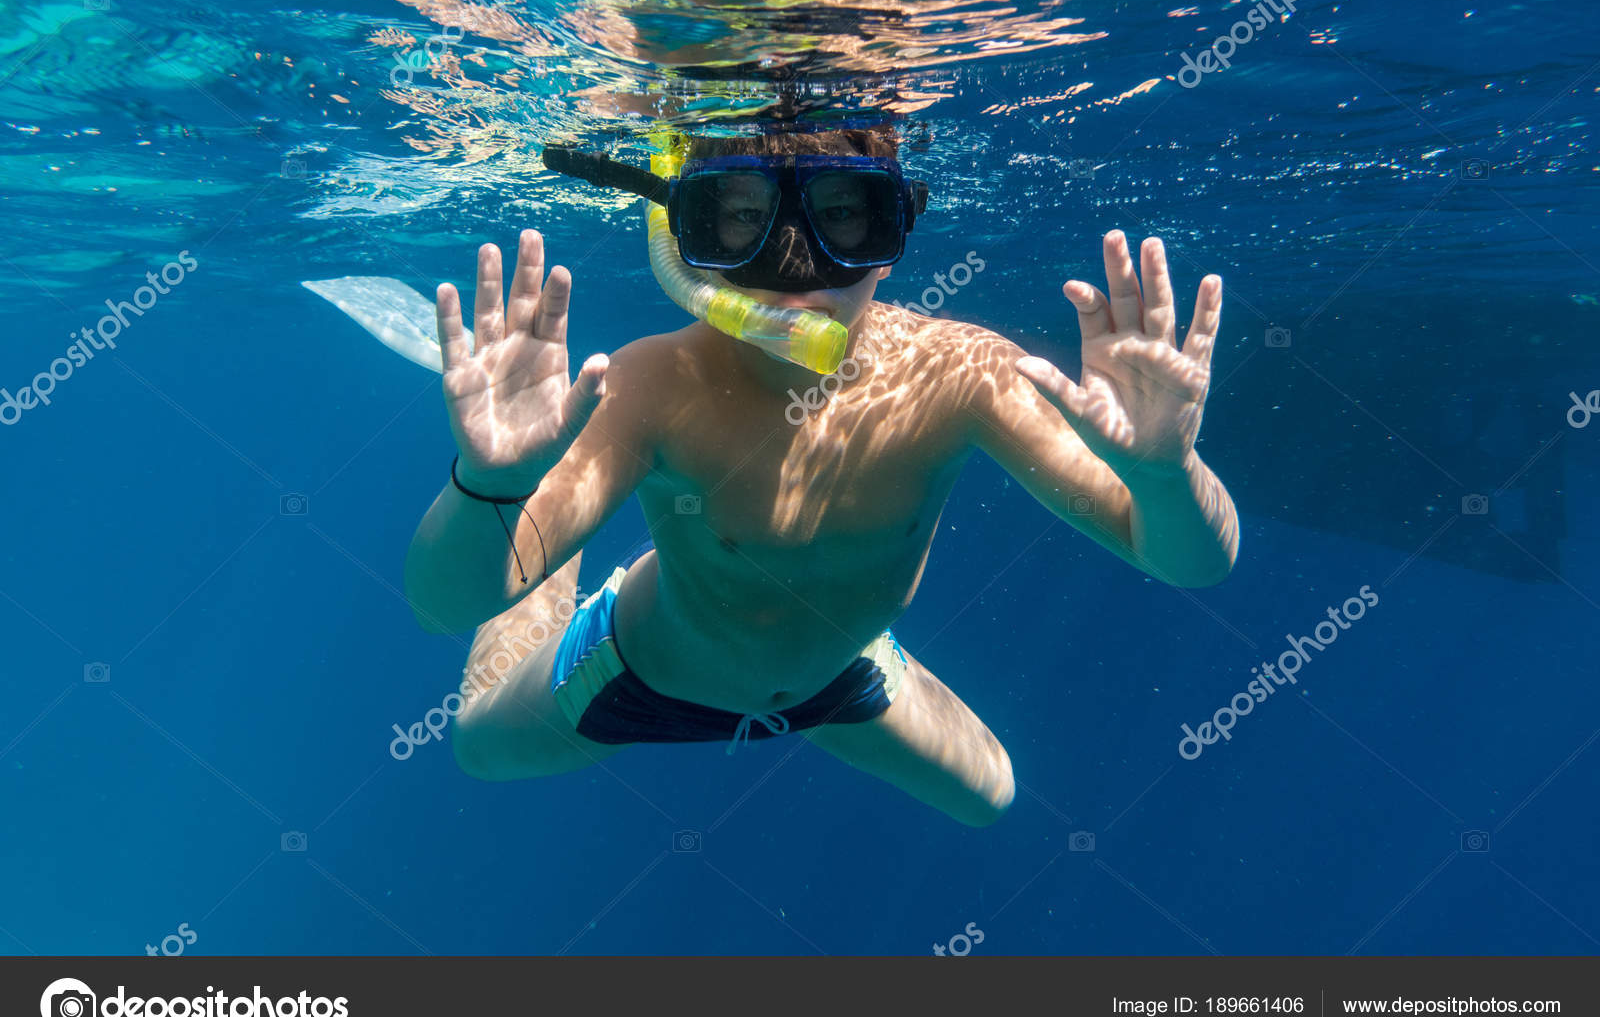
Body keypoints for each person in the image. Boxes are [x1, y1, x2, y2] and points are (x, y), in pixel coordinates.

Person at [402, 122, 1237, 827]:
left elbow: (1190, 561)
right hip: (643, 669)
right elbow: (445, 606)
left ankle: (814, 652)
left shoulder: (964, 373)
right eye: (740, 220)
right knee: (476, 740)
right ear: (691, 245)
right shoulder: (654, 386)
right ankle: (561, 572)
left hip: (836, 672)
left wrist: (1167, 474)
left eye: (844, 216)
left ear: (895, 226)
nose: (798, 270)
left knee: (996, 795)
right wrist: (492, 483)